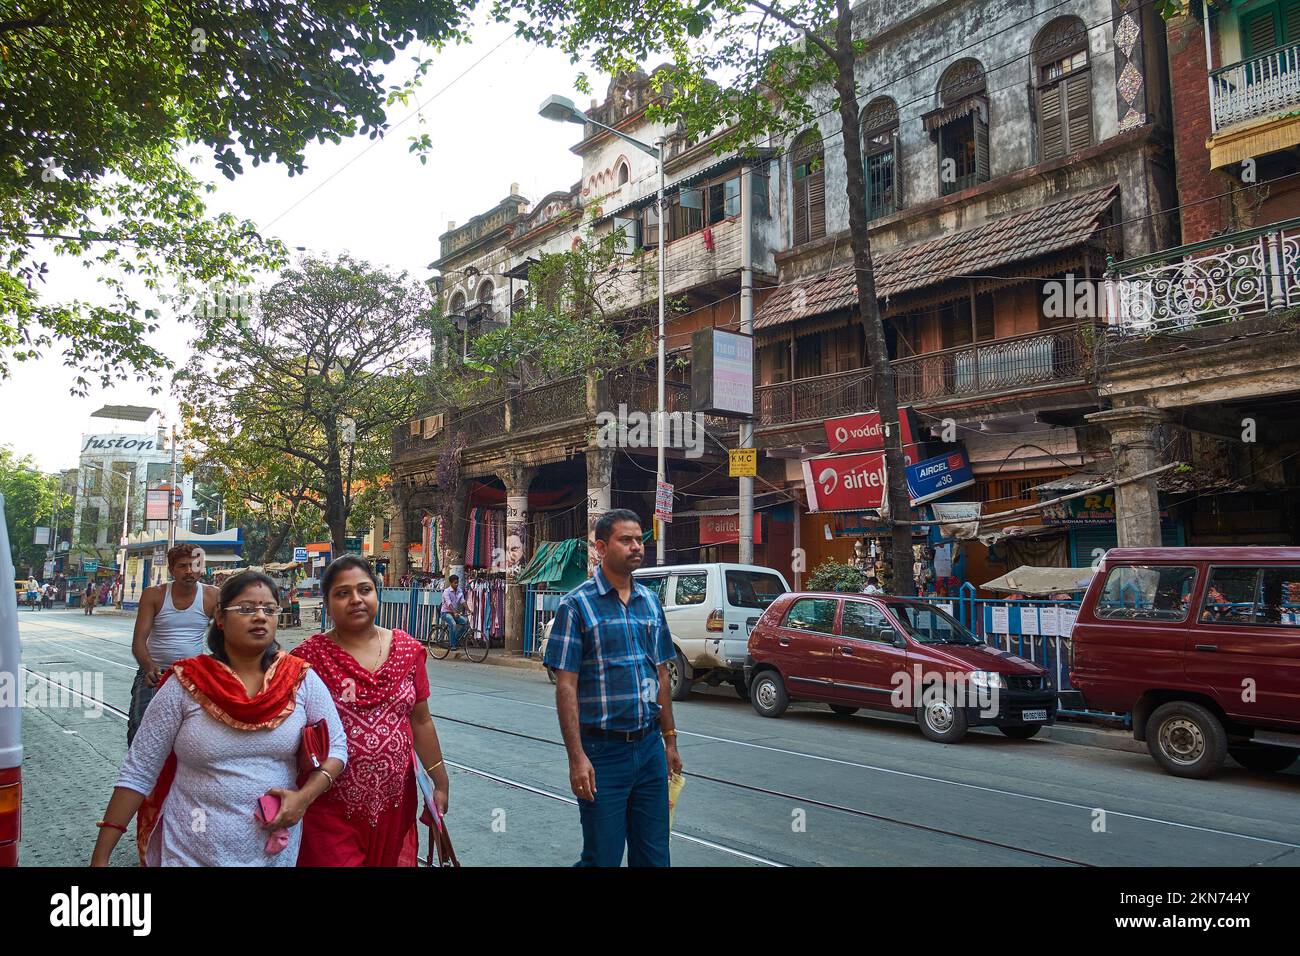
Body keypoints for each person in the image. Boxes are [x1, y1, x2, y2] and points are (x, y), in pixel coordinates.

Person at [90, 570, 347, 867]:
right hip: (189, 851)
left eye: (269, 609)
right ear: (221, 619)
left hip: (272, 855)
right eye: (247, 609)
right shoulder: (186, 683)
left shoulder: (299, 678)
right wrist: (101, 857)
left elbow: (337, 747)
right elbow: (139, 769)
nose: (260, 616)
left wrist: (304, 798)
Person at [543, 508, 683, 867]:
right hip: (602, 753)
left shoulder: (650, 602)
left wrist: (669, 741)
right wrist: (577, 758)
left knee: (654, 856)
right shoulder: (576, 606)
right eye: (626, 540)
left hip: (649, 748)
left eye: (639, 540)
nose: (636, 547)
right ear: (601, 547)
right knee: (602, 858)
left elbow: (662, 674)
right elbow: (566, 686)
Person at [292, 555, 450, 867]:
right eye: (342, 593)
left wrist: (440, 782)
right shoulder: (307, 660)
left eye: (364, 590)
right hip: (328, 807)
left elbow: (421, 721)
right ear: (326, 602)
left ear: (376, 593)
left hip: (394, 804)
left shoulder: (407, 651)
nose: (356, 600)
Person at [128, 545, 219, 746]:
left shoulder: (212, 596)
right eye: (182, 566)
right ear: (171, 569)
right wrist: (149, 668)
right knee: (140, 731)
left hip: (193, 675)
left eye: (194, 566)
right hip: (155, 674)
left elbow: (226, 637)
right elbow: (139, 642)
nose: (189, 571)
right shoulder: (154, 594)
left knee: (200, 736)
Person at [440, 573, 469, 652]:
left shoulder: (459, 590)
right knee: (453, 624)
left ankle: (455, 639)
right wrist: (454, 612)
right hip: (445, 613)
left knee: (465, 623)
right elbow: (449, 604)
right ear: (451, 583)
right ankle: (452, 645)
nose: (456, 584)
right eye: (455, 583)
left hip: (454, 613)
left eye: (457, 582)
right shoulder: (446, 592)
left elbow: (463, 601)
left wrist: (469, 610)